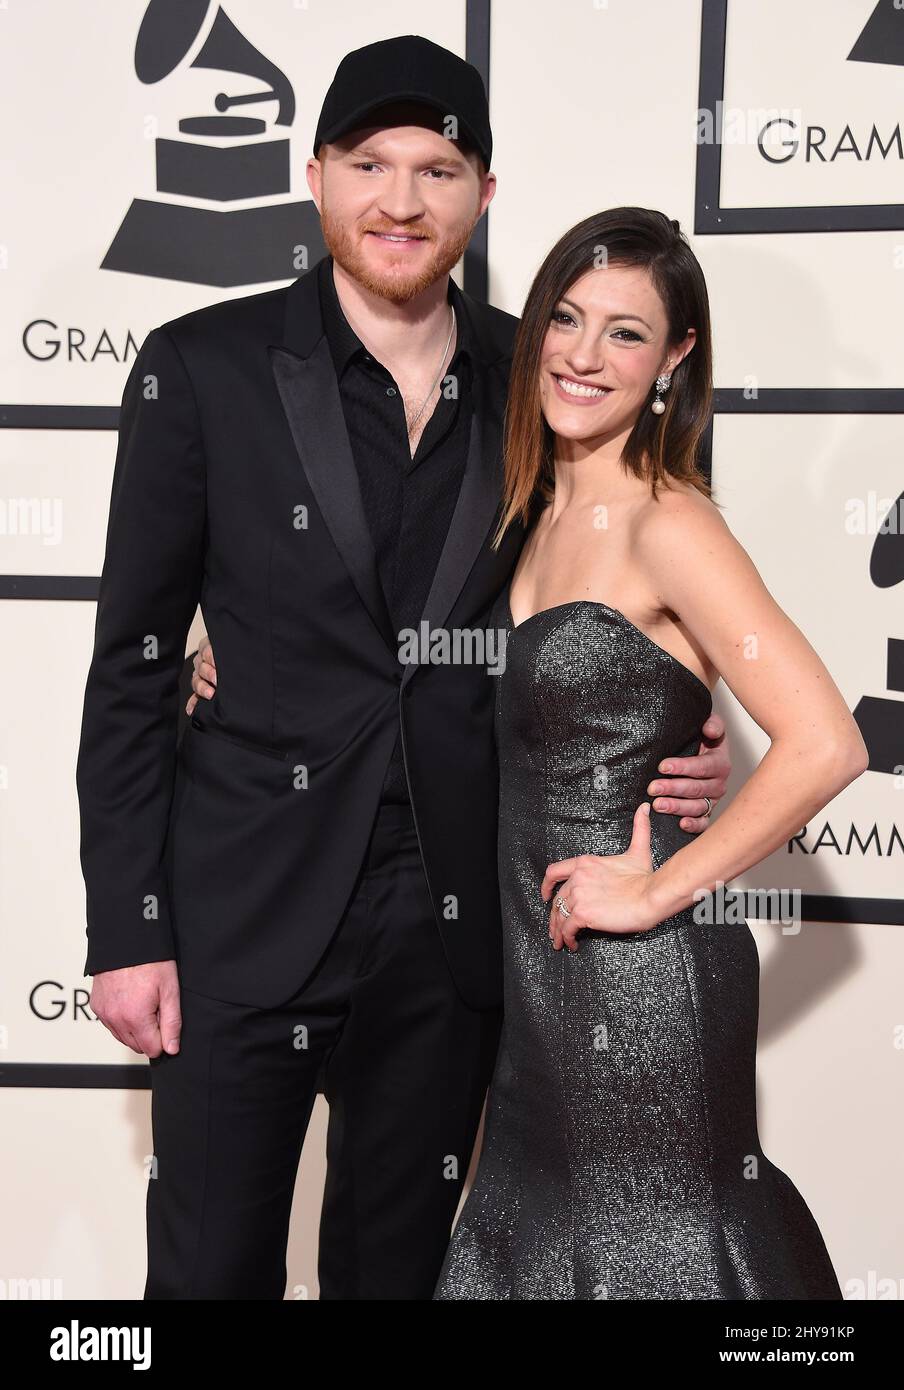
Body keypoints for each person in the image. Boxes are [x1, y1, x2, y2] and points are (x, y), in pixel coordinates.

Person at [75, 38, 730, 1301]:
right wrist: (127, 929)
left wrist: (682, 732)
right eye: (369, 164)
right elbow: (129, 671)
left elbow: (634, 577)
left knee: (398, 1279)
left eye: (438, 169)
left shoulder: (544, 380)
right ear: (314, 176)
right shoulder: (199, 366)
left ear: (484, 195)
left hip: (452, 929)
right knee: (207, 1277)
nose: (400, 200)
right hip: (235, 919)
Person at [429, 207, 867, 1299]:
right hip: (542, 969)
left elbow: (826, 741)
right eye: (565, 319)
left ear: (675, 358)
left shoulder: (670, 524)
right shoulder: (532, 512)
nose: (583, 354)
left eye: (625, 333)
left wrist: (660, 888)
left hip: (640, 978)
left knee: (652, 1245)